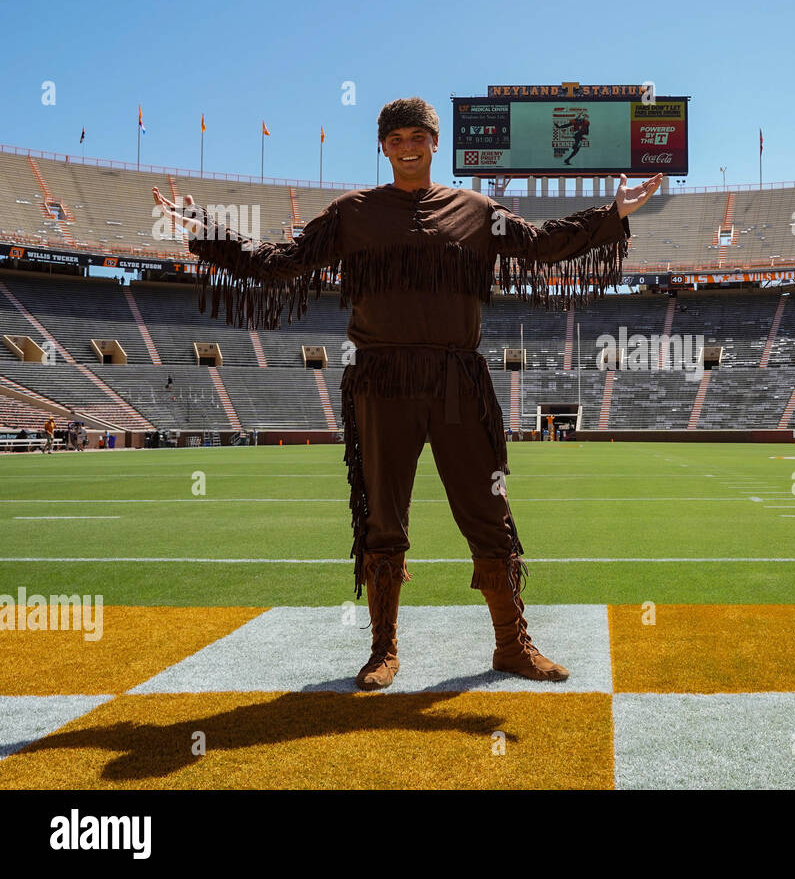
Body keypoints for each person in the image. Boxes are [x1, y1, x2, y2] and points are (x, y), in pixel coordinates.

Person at [155, 96, 661, 691]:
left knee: (488, 509)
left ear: (434, 142)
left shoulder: (475, 209)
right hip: (381, 380)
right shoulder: (353, 212)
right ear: (383, 146)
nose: (407, 146)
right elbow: (285, 262)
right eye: (394, 138)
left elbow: (540, 243)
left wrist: (611, 212)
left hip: (457, 381)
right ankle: (383, 650)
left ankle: (511, 644)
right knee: (382, 515)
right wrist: (212, 237)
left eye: (417, 135)